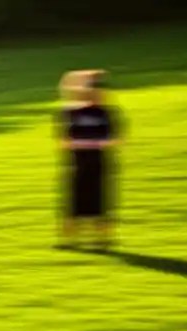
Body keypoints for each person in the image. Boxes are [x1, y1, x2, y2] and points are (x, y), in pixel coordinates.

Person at [57, 69, 122, 251]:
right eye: (90, 89)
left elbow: (116, 139)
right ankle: (69, 242)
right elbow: (64, 141)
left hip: (100, 165)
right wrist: (86, 76)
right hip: (76, 165)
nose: (95, 93)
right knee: (73, 204)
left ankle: (103, 241)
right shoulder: (70, 113)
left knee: (101, 203)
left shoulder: (107, 113)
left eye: (96, 90)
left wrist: (85, 143)